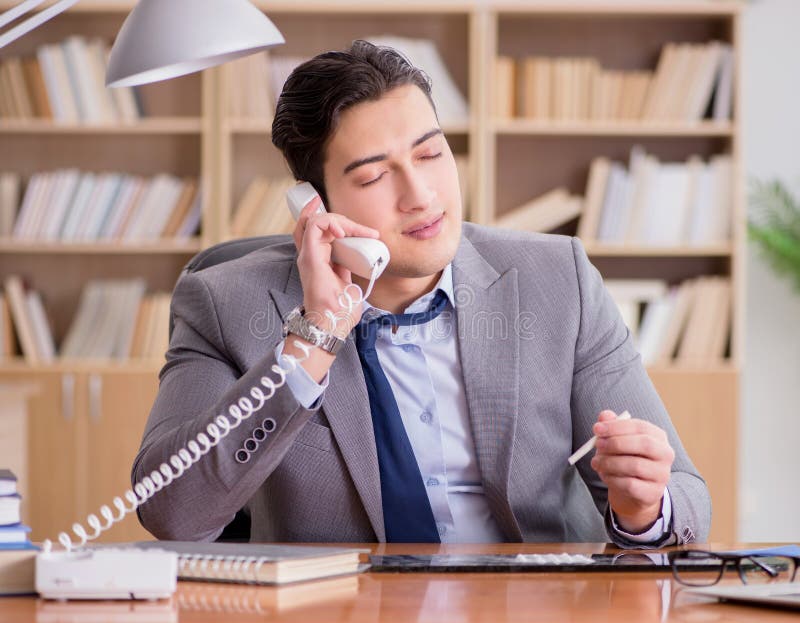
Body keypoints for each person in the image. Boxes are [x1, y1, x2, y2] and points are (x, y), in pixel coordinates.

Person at [133, 40, 710, 546]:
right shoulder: (224, 301)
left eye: (432, 153)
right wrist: (313, 338)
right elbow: (171, 512)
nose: (421, 195)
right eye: (374, 176)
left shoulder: (558, 280)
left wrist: (644, 511)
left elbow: (686, 496)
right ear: (316, 204)